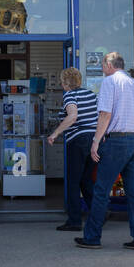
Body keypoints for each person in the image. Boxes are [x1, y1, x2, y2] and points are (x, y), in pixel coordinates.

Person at [76, 52, 134, 250]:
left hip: (117, 141)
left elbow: (105, 114)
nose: (101, 68)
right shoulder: (133, 83)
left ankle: (92, 237)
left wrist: (95, 141)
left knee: (101, 190)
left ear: (109, 65)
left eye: (102, 64)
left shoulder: (110, 82)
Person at [46, 67, 98, 232]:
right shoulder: (91, 94)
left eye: (62, 82)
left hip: (78, 141)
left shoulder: (70, 95)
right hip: (93, 140)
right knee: (87, 180)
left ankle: (74, 221)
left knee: (73, 182)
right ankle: (99, 214)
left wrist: (55, 133)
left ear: (65, 83)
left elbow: (73, 116)